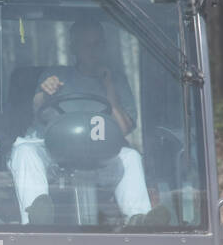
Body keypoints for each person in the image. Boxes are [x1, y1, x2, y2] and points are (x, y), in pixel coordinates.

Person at [9, 17, 151, 224]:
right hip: (53, 156)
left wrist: (108, 88)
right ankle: (35, 219)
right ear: (74, 47)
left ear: (104, 46)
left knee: (130, 157)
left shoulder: (115, 80)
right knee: (25, 152)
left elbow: (123, 129)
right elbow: (35, 108)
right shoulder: (55, 75)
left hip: (98, 158)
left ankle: (139, 219)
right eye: (86, 45)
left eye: (97, 44)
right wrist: (45, 93)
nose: (92, 51)